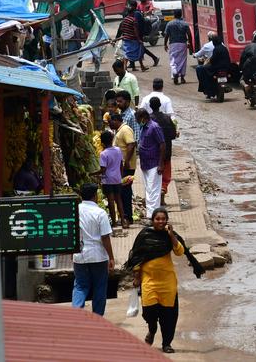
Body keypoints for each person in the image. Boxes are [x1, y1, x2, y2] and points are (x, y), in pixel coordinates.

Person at [124, 208, 202, 355]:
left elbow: (179, 252)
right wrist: (136, 276)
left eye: (163, 219)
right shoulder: (145, 235)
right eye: (157, 219)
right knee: (149, 312)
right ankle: (152, 329)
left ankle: (167, 343)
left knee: (169, 315)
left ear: (167, 221)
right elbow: (136, 257)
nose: (160, 221)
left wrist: (171, 236)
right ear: (152, 220)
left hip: (167, 282)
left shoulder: (170, 236)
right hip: (149, 281)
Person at [71, 183, 115, 315]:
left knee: (80, 286)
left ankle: (76, 312)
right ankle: (97, 317)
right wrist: (111, 257)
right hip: (98, 256)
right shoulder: (100, 213)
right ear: (95, 196)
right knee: (99, 287)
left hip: (79, 256)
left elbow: (71, 233)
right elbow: (105, 237)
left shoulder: (74, 210)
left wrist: (71, 252)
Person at [108, 110, 137, 229]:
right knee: (123, 191)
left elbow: (131, 144)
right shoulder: (119, 130)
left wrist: (126, 162)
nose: (109, 124)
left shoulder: (125, 130)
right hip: (122, 166)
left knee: (125, 191)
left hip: (127, 167)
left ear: (116, 121)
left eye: (110, 122)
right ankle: (125, 216)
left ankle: (127, 217)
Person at [135, 108, 166, 214]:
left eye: (138, 120)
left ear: (143, 118)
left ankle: (153, 214)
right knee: (148, 189)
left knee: (154, 190)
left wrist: (161, 164)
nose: (137, 122)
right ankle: (150, 213)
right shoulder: (143, 127)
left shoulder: (154, 127)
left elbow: (162, 144)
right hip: (145, 163)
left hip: (154, 163)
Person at [147, 96, 176, 198]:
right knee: (166, 172)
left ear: (150, 106)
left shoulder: (148, 119)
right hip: (166, 151)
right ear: (160, 105)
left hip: (152, 152)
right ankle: (163, 188)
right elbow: (173, 134)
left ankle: (157, 193)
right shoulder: (167, 118)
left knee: (153, 174)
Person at [97, 131, 127, 227]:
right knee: (119, 200)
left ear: (102, 142)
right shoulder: (118, 150)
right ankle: (123, 221)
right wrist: (120, 175)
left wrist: (92, 173)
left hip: (107, 180)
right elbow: (121, 164)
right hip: (117, 179)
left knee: (111, 201)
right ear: (112, 139)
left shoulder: (103, 154)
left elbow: (103, 170)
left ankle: (114, 222)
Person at [195, 34, 231, 100]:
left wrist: (208, 62)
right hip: (226, 68)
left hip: (216, 68)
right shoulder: (224, 48)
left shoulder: (216, 49)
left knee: (200, 69)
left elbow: (213, 60)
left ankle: (207, 89)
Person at [116, 7, 150, 72]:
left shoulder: (124, 20)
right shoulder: (133, 20)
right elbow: (136, 31)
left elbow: (121, 29)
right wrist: (139, 39)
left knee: (127, 53)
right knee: (139, 51)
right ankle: (137, 67)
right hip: (133, 39)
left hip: (126, 39)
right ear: (133, 12)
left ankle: (140, 66)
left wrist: (125, 35)